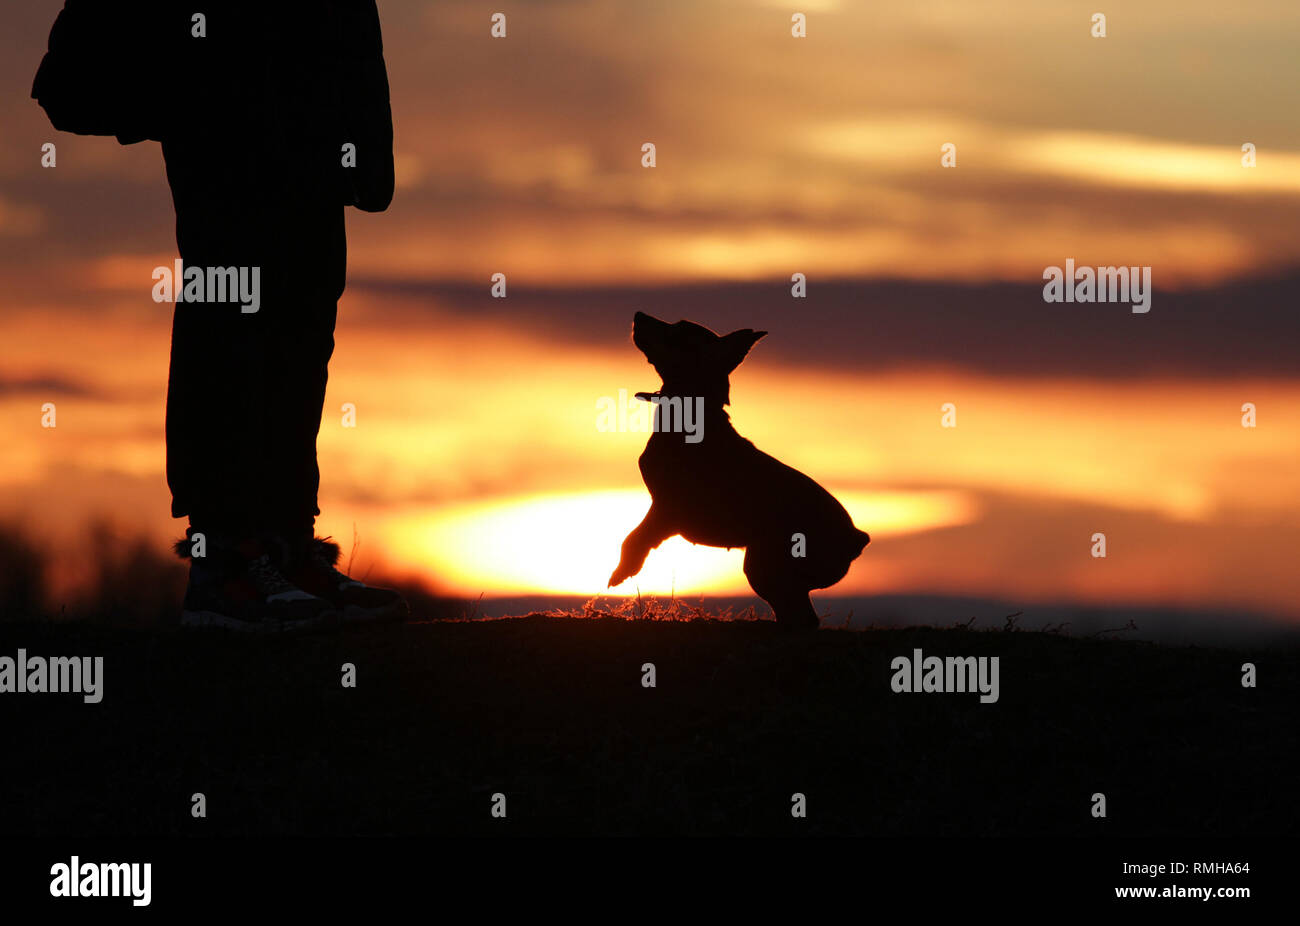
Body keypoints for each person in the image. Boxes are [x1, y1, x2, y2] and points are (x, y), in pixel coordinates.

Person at [33, 0, 407, 631]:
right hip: (230, 104)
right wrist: (200, 94)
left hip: (307, 115)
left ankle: (282, 549)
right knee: (236, 298)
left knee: (302, 306)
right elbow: (77, 74)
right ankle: (226, 564)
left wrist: (364, 142)